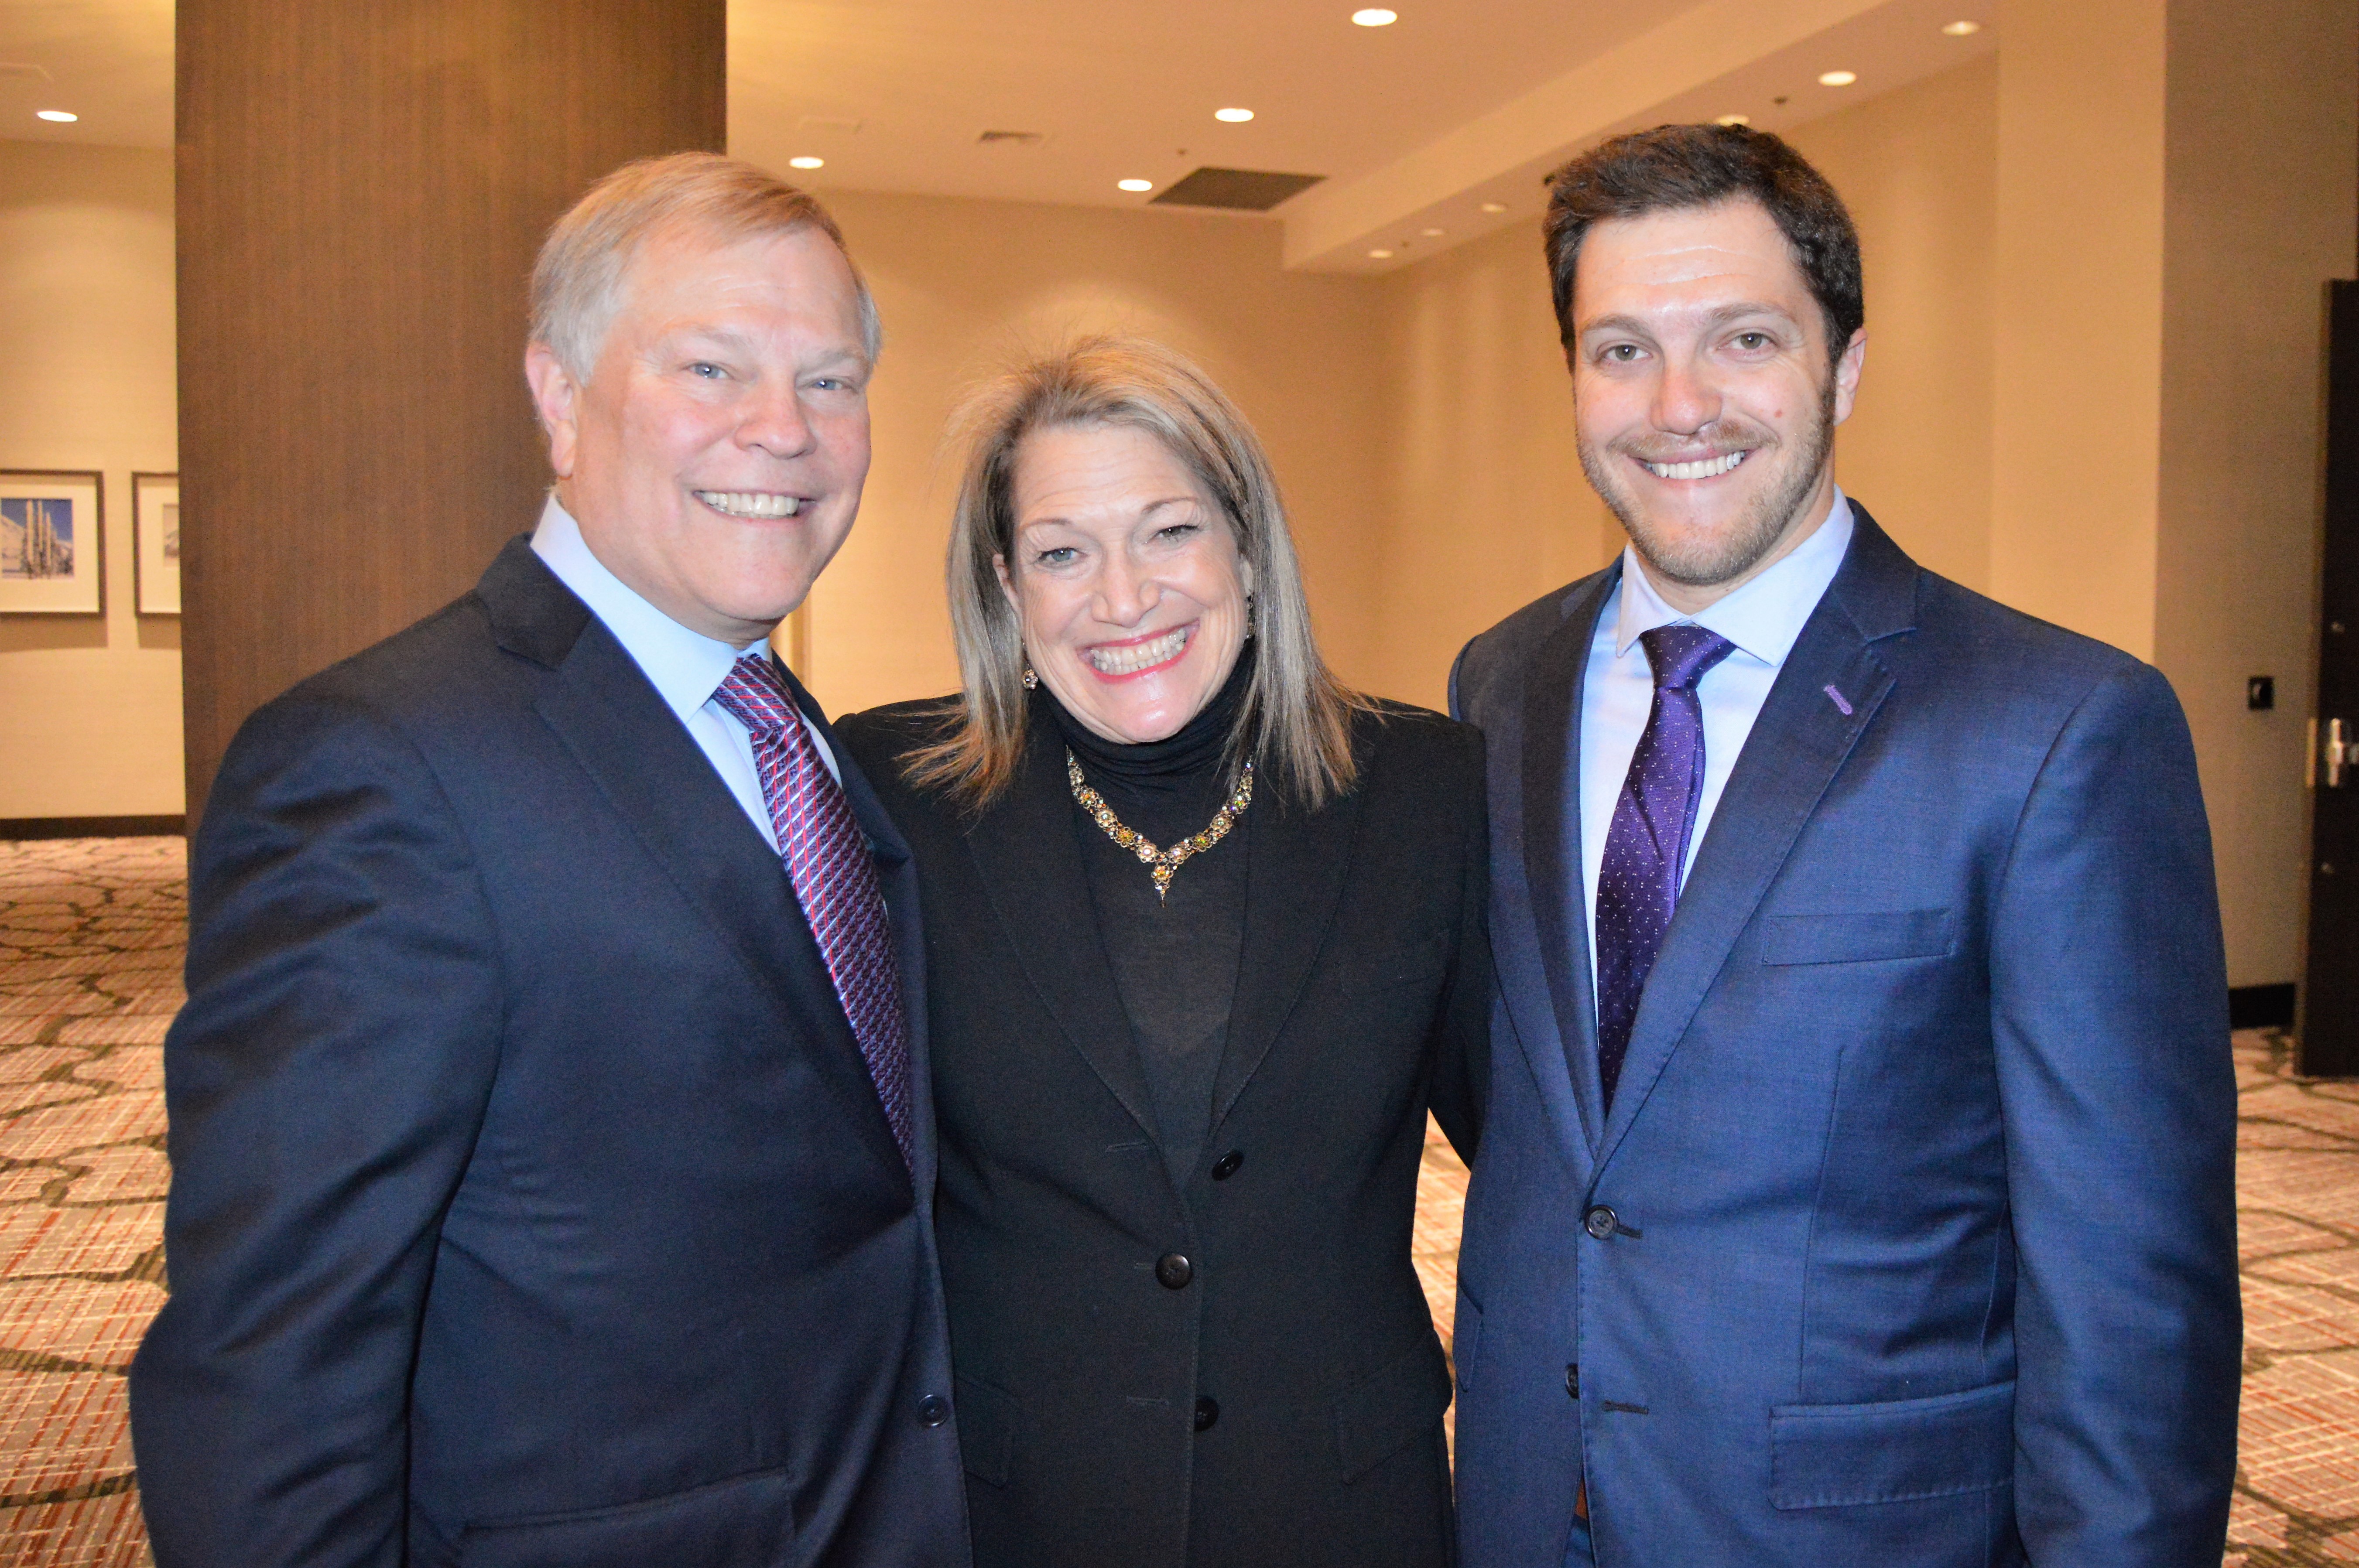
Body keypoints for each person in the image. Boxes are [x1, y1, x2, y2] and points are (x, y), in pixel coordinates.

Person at [130, 154, 971, 1568]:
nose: (784, 430)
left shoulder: (807, 744)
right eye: (711, 367)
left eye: (829, 381)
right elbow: (270, 1373)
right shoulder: (382, 765)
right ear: (558, 397)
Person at [1447, 124, 2239, 1567]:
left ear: (1847, 366)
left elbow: (2135, 1297)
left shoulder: (2057, 727)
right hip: (1518, 1501)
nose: (1677, 403)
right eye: (1619, 349)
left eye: (1743, 338)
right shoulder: (1498, 685)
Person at [835, 337, 1488, 1568]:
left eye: (1168, 531)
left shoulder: (1428, 795)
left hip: (1344, 1512)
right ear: (1006, 585)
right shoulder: (892, 799)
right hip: (1017, 1515)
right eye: (1063, 551)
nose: (1123, 596)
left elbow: (1536, 1156)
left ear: (1248, 547)